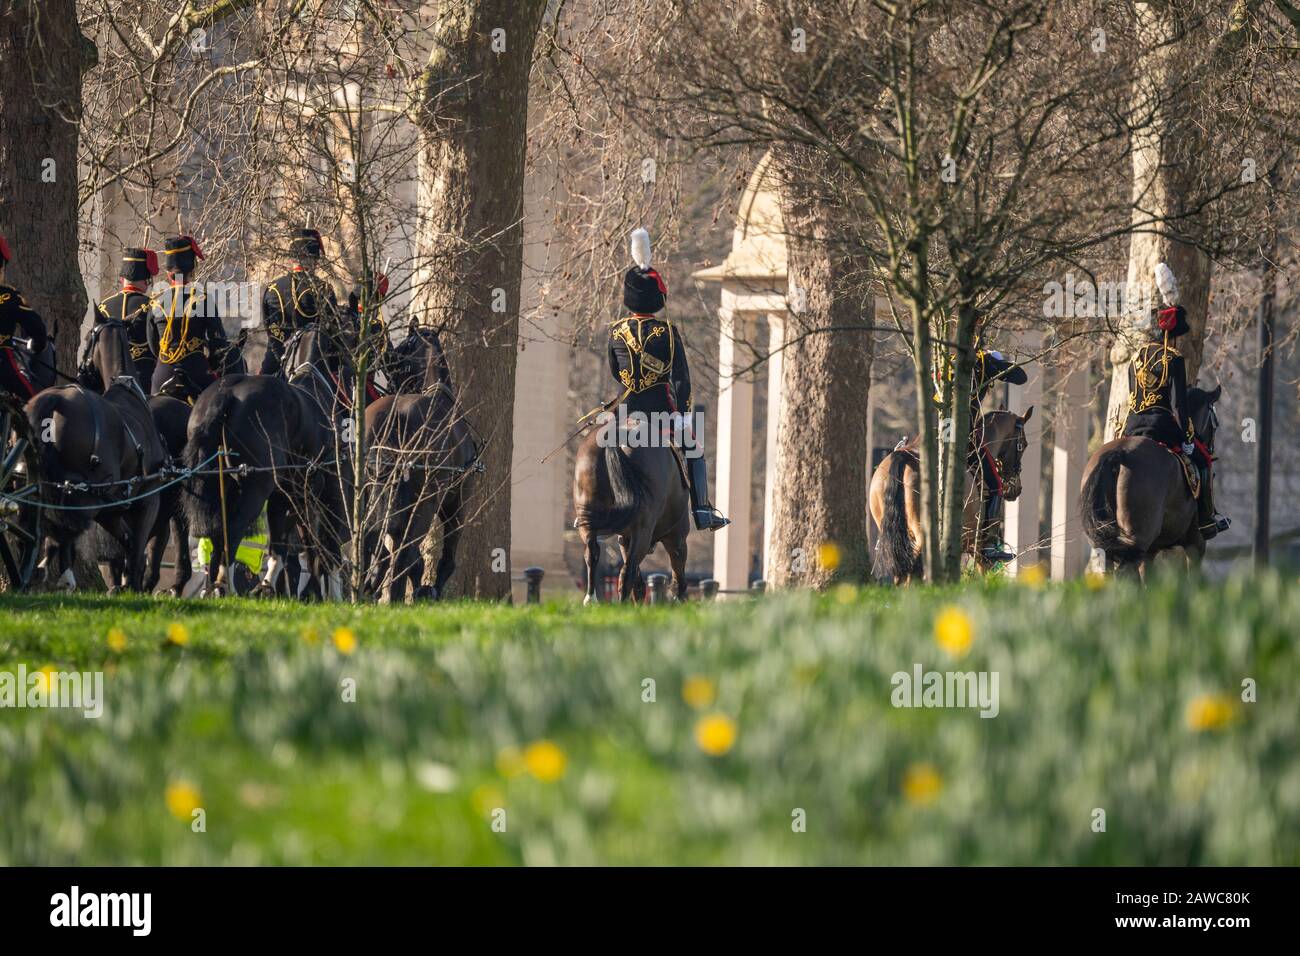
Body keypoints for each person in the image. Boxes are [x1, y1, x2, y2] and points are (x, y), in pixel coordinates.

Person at [604, 228, 728, 532]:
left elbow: (614, 371)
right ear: (656, 297)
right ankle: (702, 511)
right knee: (695, 451)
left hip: (625, 415)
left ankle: (599, 516)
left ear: (629, 297)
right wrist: (684, 416)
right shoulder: (668, 333)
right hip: (660, 416)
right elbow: (682, 380)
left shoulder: (616, 332)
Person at [1120, 300, 1230, 539]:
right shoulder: (1174, 357)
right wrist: (1189, 438)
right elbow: (1180, 406)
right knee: (1203, 461)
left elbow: (1131, 397)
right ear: (1172, 333)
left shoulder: (1135, 357)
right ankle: (1206, 519)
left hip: (1131, 426)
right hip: (1161, 426)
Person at [931, 343, 1028, 563]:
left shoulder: (945, 364)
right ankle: (990, 544)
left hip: (938, 429)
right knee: (995, 484)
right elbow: (1020, 377)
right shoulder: (982, 363)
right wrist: (994, 361)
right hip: (962, 433)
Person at [148, 235, 230, 403]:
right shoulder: (202, 299)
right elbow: (219, 343)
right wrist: (214, 366)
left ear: (168, 273)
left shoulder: (155, 301)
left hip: (163, 374)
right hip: (197, 374)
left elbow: (152, 343)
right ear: (192, 270)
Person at [260, 228, 339, 375]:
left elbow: (270, 331)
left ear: (292, 258)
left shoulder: (272, 288)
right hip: (312, 361)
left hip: (276, 360)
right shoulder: (323, 288)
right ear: (314, 259)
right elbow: (333, 334)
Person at [96, 247, 159, 393]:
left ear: (122, 278)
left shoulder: (103, 306)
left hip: (107, 384)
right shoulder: (153, 305)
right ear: (146, 280)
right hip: (144, 384)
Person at [0, 233, 50, 402]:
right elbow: (37, 329)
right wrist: (37, 345)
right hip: (2, 365)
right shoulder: (9, 297)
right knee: (33, 404)